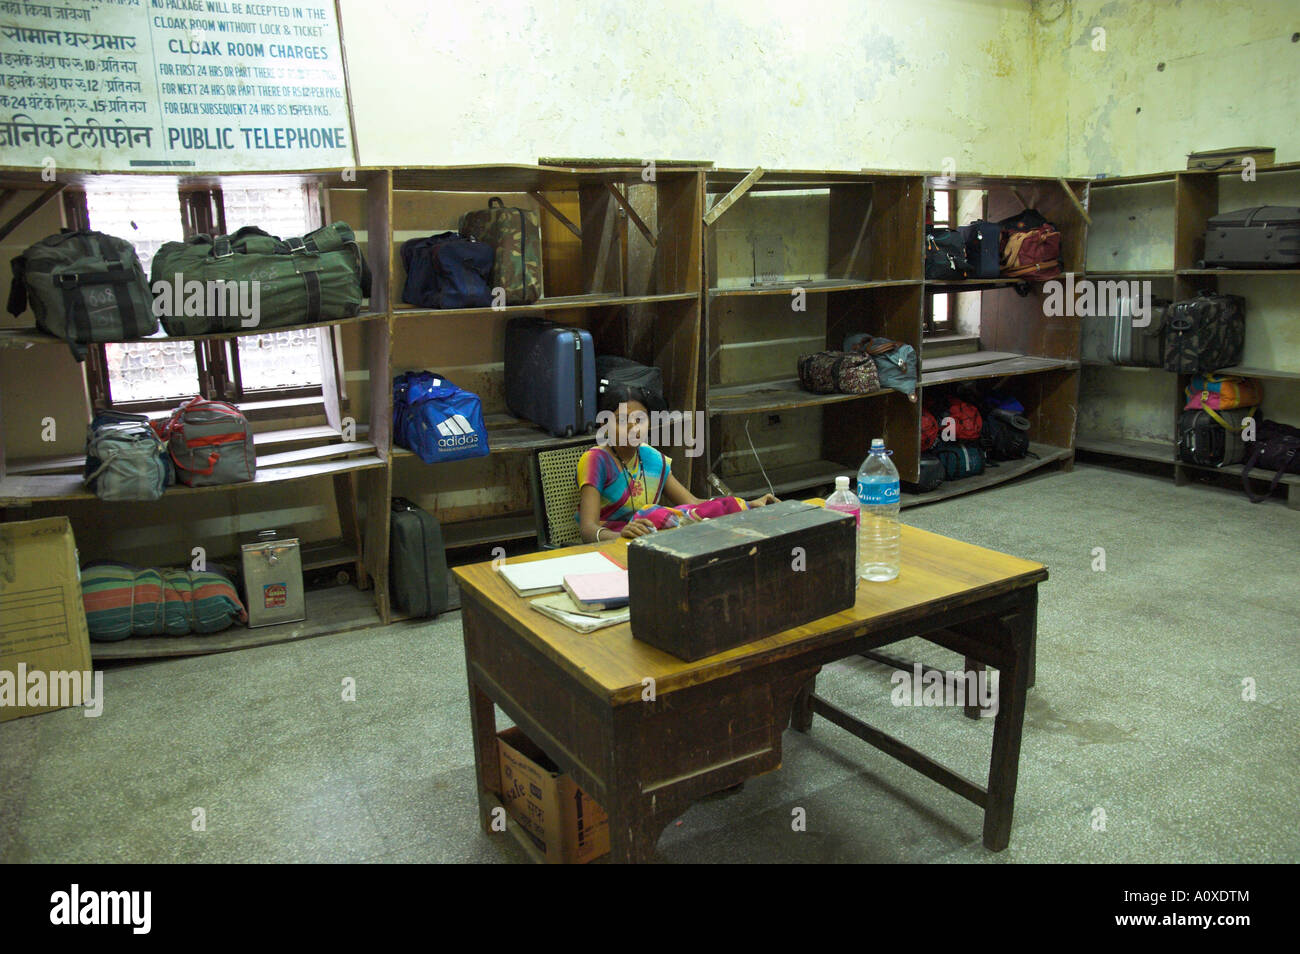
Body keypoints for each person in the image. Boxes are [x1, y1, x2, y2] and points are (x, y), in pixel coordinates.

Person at [577, 390, 777, 543]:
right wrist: (621, 536)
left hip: (650, 540)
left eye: (640, 420)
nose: (633, 428)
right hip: (613, 545)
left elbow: (693, 504)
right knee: (653, 513)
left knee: (666, 515)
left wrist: (744, 505)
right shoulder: (596, 459)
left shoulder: (652, 458)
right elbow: (587, 529)